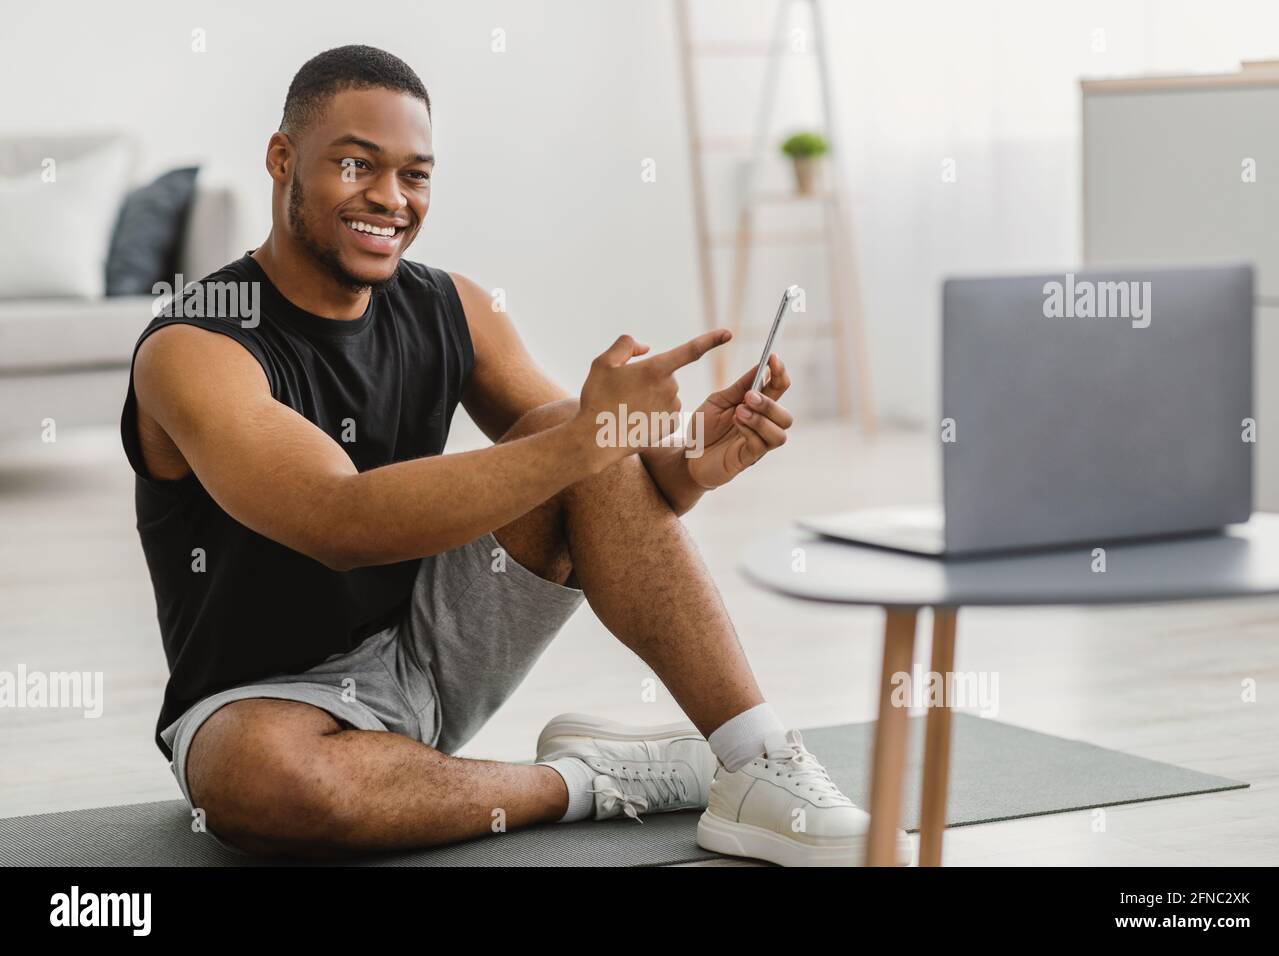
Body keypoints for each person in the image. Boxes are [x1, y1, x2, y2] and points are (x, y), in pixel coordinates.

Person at [121, 44, 908, 867]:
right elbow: (336, 519)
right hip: (262, 705)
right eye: (356, 166)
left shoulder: (453, 304)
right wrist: (587, 435)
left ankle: (755, 757)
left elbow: (587, 480)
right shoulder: (194, 345)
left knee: (573, 427)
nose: (389, 199)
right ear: (283, 160)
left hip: (428, 651)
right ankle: (595, 778)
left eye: (415, 174)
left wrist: (682, 467)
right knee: (262, 783)